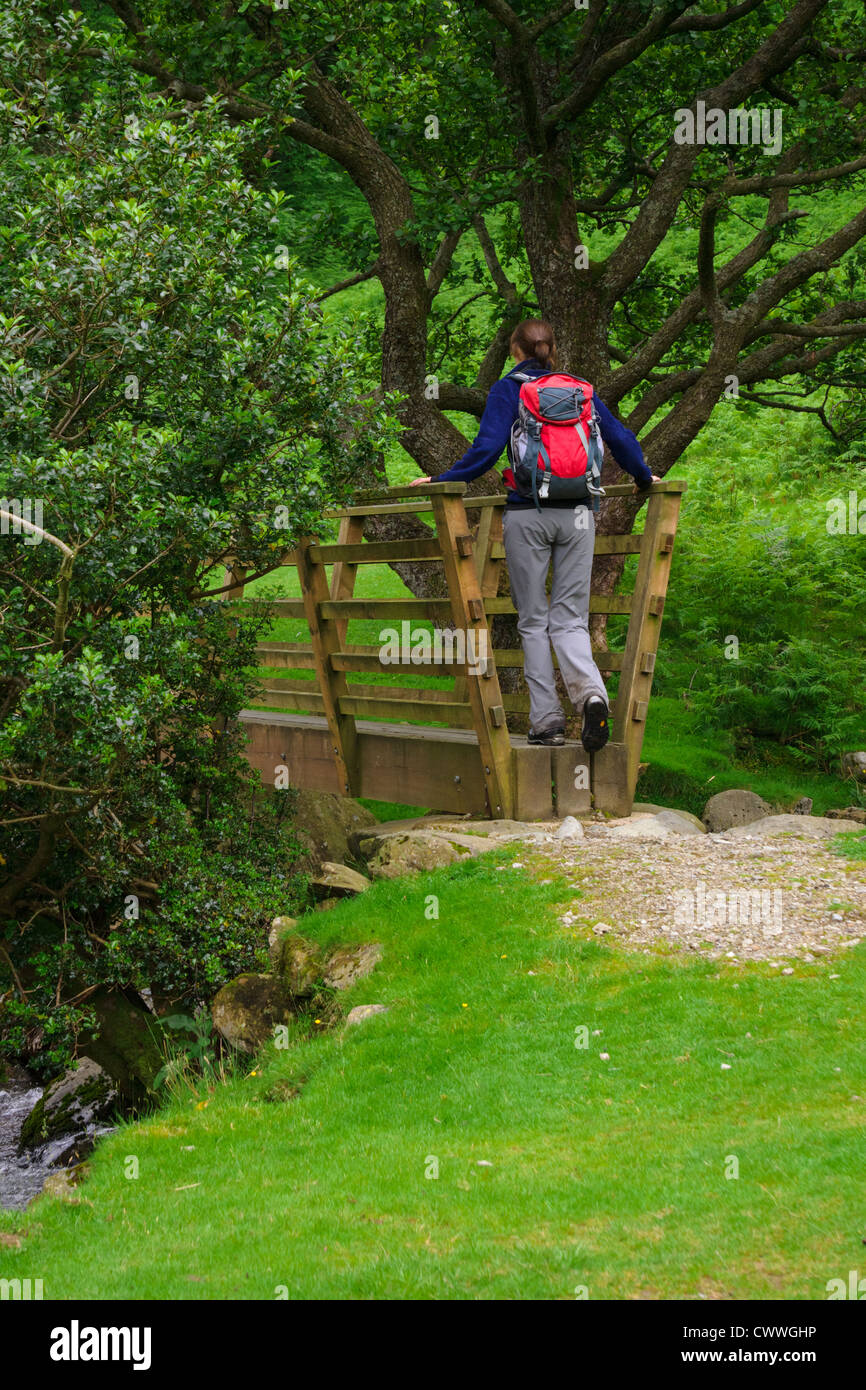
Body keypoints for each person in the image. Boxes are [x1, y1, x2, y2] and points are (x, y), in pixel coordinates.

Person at [411, 318, 659, 749]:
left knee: (533, 621)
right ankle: (592, 695)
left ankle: (547, 723)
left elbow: (487, 449)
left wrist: (444, 479)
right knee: (570, 619)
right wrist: (642, 477)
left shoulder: (509, 389)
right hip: (580, 514)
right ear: (553, 348)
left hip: (528, 514)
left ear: (515, 350)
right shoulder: (580, 389)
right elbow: (618, 436)